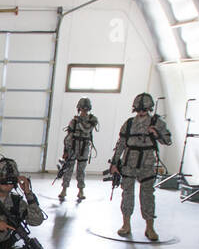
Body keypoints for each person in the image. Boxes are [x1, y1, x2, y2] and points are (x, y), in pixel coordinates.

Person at [109, 93, 172, 240]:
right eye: (139, 109)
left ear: (149, 108)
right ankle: (126, 224)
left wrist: (156, 133)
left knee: (147, 195)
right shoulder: (129, 123)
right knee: (127, 194)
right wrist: (114, 163)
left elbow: (168, 141)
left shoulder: (157, 122)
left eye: (144, 109)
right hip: (129, 162)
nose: (141, 112)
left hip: (147, 163)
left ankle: (150, 228)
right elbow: (121, 144)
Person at [57, 97, 99, 203]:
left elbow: (87, 129)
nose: (84, 111)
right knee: (68, 169)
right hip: (73, 147)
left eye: (85, 109)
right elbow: (68, 136)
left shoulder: (92, 120)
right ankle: (64, 189)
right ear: (79, 108)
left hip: (84, 148)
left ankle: (81, 190)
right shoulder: (73, 121)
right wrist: (65, 150)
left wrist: (79, 121)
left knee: (81, 170)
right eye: (82, 108)